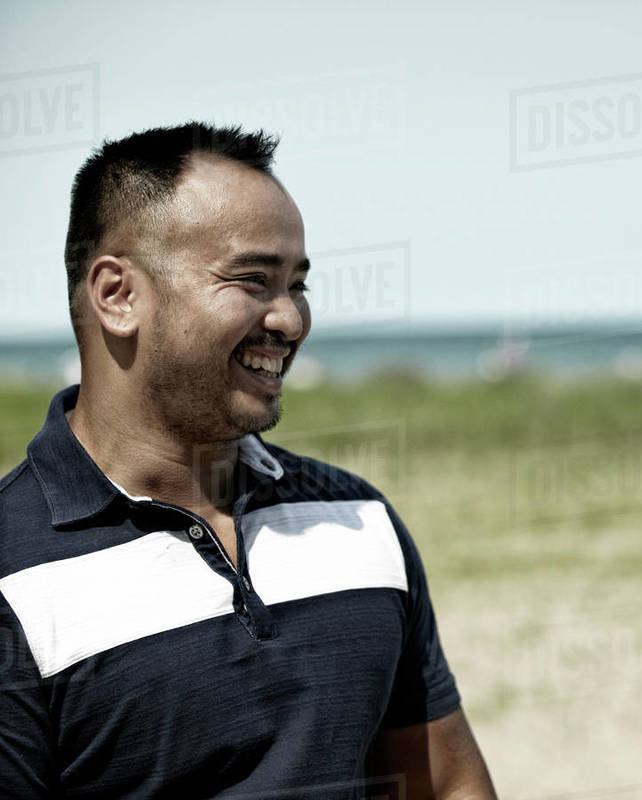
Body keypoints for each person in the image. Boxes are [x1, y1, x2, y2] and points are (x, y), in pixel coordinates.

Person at [0, 123, 496, 799]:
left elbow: (447, 785)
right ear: (117, 294)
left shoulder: (358, 520)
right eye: (254, 281)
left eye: (297, 285)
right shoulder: (11, 571)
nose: (290, 321)